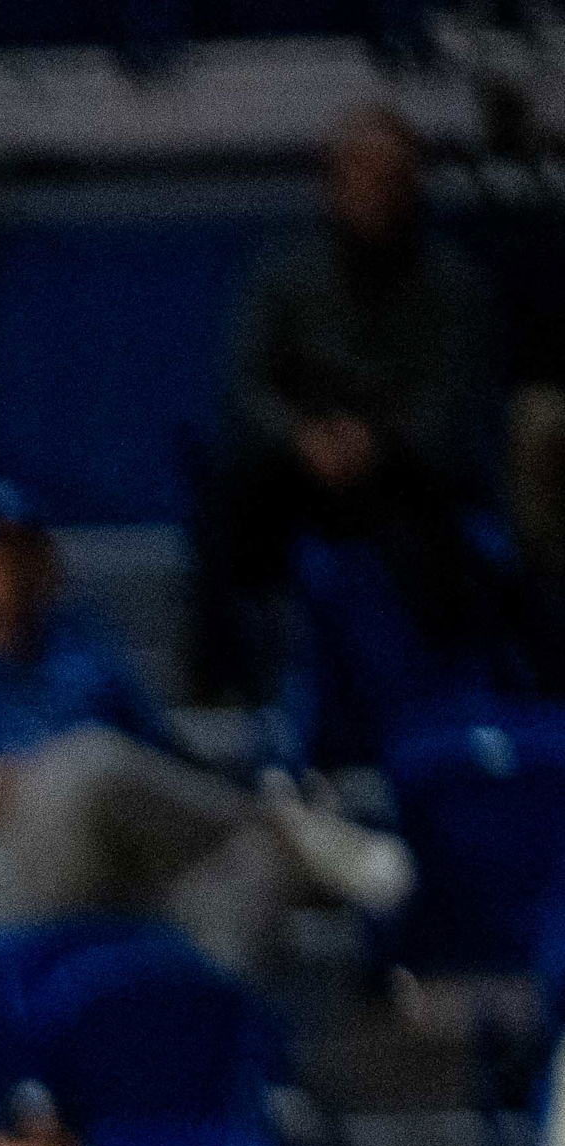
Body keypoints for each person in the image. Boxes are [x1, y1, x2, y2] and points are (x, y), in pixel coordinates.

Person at [0, 480, 409, 973]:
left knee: (260, 860)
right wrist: (27, 776)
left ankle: (210, 1041)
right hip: (6, 869)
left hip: (128, 864)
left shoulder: (87, 657)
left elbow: (160, 767)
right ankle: (303, 833)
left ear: (50, 561)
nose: (11, 566)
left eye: (26, 547)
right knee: (91, 759)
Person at [191, 104, 500, 704]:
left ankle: (440, 697)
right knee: (229, 499)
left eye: (386, 180)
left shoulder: (455, 286)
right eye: (356, 177)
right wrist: (301, 438)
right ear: (331, 185)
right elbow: (246, 388)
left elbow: (454, 406)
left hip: (405, 475)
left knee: (440, 533)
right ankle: (220, 688)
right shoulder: (284, 275)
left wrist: (378, 444)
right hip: (300, 468)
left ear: (413, 187)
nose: (371, 195)